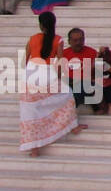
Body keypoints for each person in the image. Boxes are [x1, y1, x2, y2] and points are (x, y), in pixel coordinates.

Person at [20, 11, 85, 155]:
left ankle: (34, 149)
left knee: (29, 110)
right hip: (47, 72)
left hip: (31, 72)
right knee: (67, 95)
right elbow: (60, 61)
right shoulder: (58, 40)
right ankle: (72, 126)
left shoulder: (32, 38)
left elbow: (26, 60)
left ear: (41, 25)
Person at [62, 27, 99, 109]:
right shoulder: (64, 54)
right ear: (69, 41)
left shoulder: (92, 53)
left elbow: (98, 72)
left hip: (86, 85)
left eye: (81, 40)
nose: (78, 43)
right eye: (75, 40)